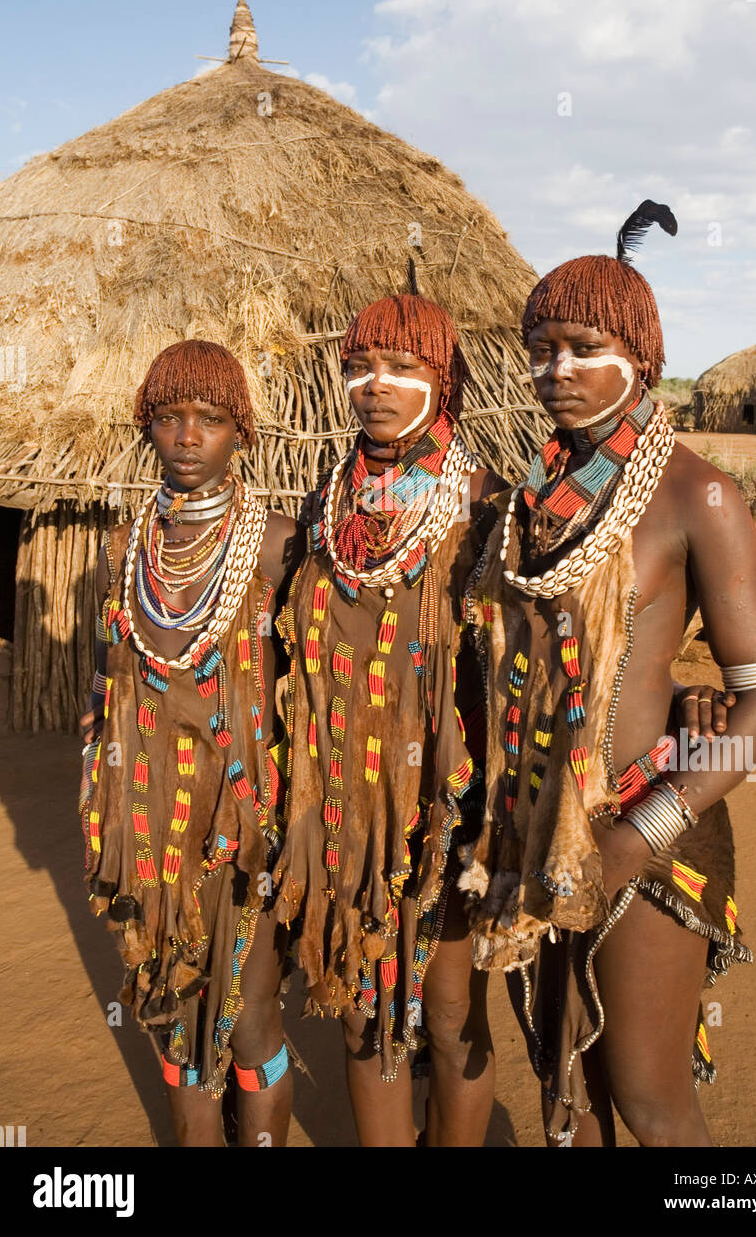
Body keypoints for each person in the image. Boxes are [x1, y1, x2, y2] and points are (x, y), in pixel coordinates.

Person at [462, 203, 756, 1147]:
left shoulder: (699, 493)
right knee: (577, 1079)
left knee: (652, 1101)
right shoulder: (534, 497)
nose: (555, 370)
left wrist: (628, 844)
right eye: (541, 348)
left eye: (582, 346)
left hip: (648, 833)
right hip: (538, 824)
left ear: (640, 351)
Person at [271, 284, 506, 1147]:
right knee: (361, 1007)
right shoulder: (322, 503)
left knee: (446, 1016)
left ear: (442, 379)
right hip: (339, 805)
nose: (376, 384)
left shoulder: (487, 505)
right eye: (360, 367)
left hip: (446, 807)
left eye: (402, 367)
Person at [79, 339, 301, 1147]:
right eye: (169, 418)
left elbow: (311, 700)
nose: (186, 436)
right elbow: (112, 687)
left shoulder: (280, 545)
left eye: (209, 419)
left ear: (239, 432)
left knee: (251, 1018)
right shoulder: (124, 546)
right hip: (147, 831)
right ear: (147, 427)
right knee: (171, 1017)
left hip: (238, 827)